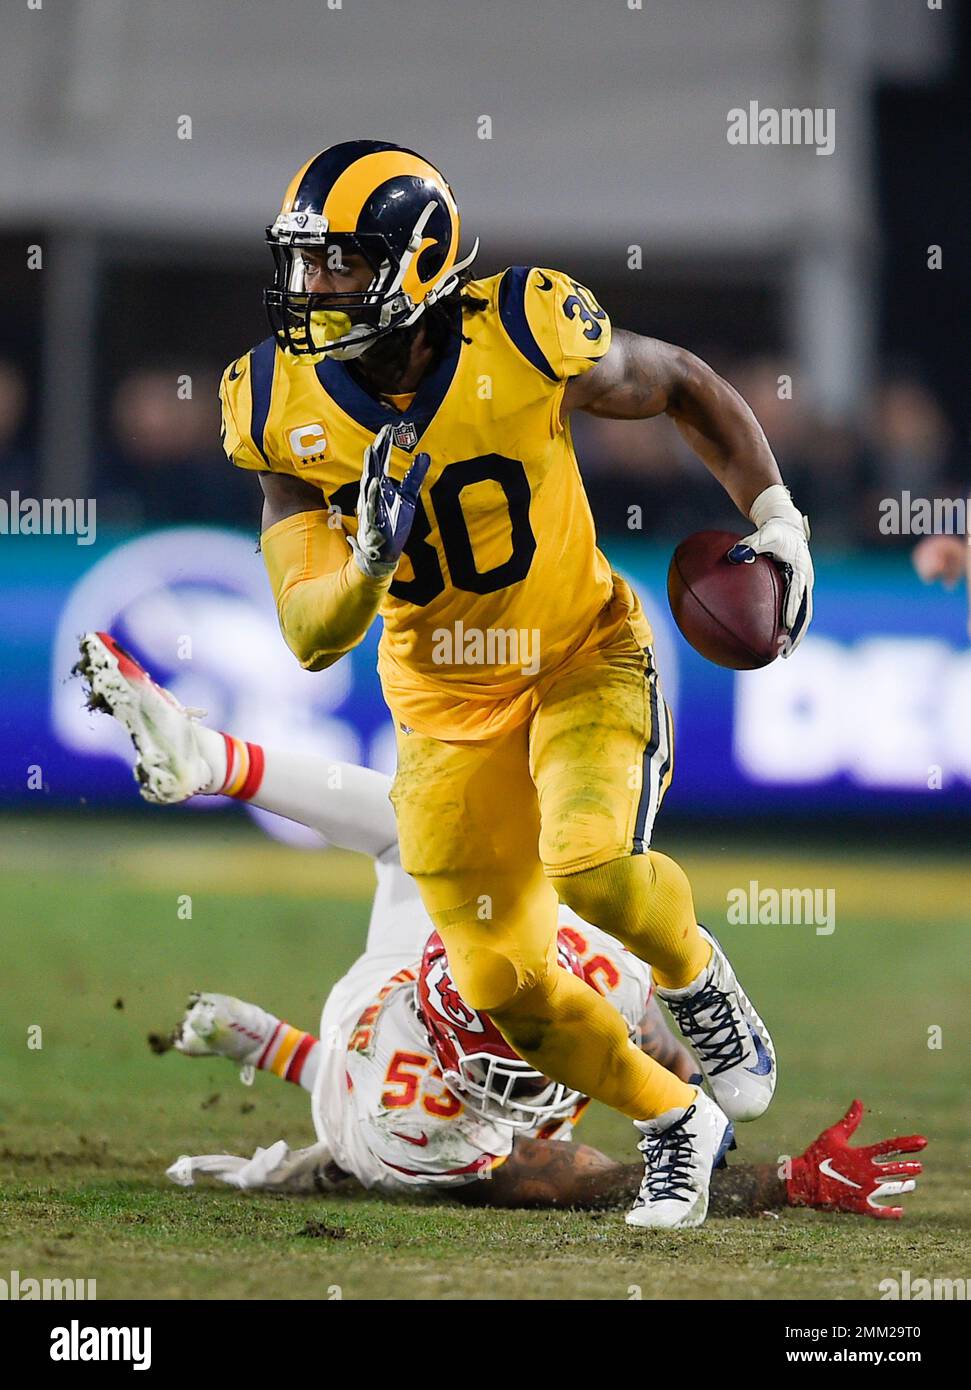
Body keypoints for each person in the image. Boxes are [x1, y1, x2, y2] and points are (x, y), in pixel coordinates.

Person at [76, 632, 923, 1219]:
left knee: (432, 835)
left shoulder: (585, 962)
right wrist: (783, 1181)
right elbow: (589, 1181)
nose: (538, 1066)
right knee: (360, 1128)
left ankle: (218, 760)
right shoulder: (424, 1133)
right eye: (521, 1052)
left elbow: (657, 1058)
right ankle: (259, 1028)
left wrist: (690, 1093)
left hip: (430, 962)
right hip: (374, 1038)